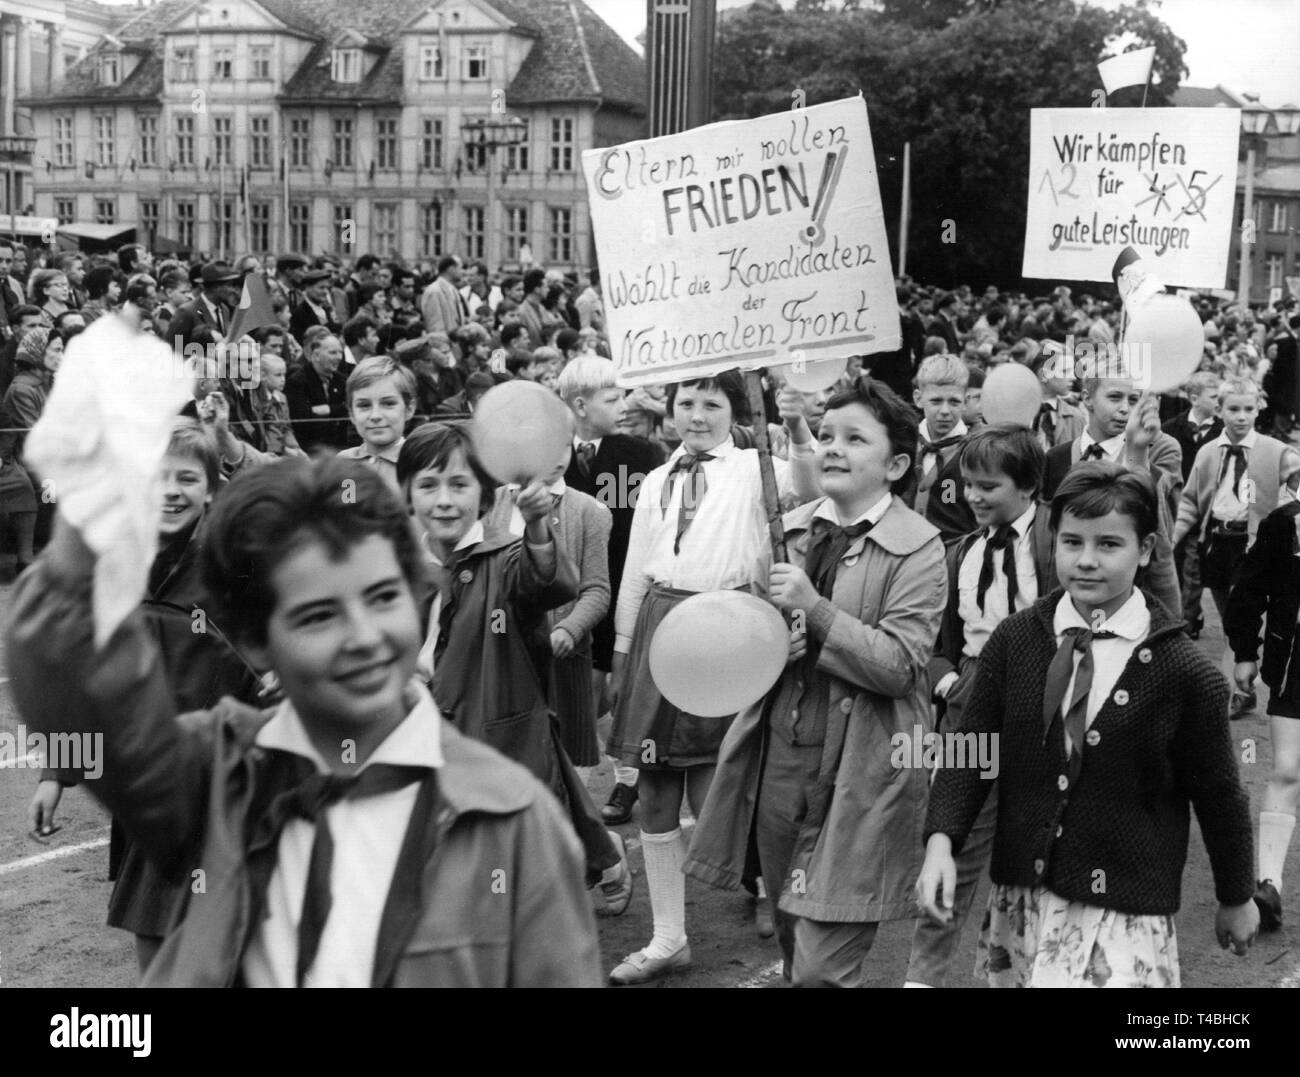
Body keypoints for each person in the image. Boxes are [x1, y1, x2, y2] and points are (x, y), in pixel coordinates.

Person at [9, 455, 601, 986]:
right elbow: (67, 693)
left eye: (383, 597)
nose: (365, 638)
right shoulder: (209, 771)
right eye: (318, 616)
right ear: (256, 644)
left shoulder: (512, 817)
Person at [917, 463, 1258, 987]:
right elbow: (971, 746)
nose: (1087, 561)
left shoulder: (1183, 671)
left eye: (1109, 545)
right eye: (1072, 542)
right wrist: (942, 838)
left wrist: (1236, 896)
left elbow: (1219, 795)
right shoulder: (1016, 640)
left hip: (1125, 908)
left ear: (1144, 550)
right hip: (1025, 900)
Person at [686, 376, 947, 987]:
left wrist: (819, 614)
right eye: (827, 434)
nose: (832, 447)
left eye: (855, 439)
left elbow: (902, 666)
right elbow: (744, 646)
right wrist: (773, 642)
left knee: (822, 971)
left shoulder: (920, 549)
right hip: (780, 758)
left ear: (897, 464)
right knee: (792, 937)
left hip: (861, 770)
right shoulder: (790, 532)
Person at [27, 419, 261, 976]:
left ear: (211, 488)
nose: (171, 492)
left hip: (226, 785)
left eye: (187, 478)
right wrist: (55, 777)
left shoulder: (240, 566)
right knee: (155, 948)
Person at [606, 370, 797, 984]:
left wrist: (793, 419)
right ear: (668, 412)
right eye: (685, 403)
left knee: (731, 779)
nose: (697, 415)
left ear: (733, 413)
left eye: (711, 404)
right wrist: (623, 644)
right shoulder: (657, 479)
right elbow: (638, 566)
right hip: (663, 630)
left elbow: (813, 482)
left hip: (730, 626)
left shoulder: (755, 468)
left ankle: (766, 883)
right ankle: (669, 938)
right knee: (657, 786)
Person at [397, 422, 632, 916]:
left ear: (483, 494)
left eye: (459, 485)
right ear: (406, 494)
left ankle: (593, 861)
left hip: (504, 750)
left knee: (515, 897)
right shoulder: (394, 569)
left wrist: (539, 528)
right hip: (426, 755)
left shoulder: (502, 558)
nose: (444, 500)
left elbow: (545, 582)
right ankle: (600, 855)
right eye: (428, 485)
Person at [904, 424, 1047, 987]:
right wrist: (946, 686)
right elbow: (939, 644)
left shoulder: (1056, 537)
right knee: (951, 841)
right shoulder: (960, 551)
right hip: (969, 708)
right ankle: (923, 977)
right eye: (968, 485)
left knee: (1037, 853)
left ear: (1029, 485)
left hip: (1043, 708)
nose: (974, 497)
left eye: (988, 486)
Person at [1171, 378, 1299, 718]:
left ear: (1258, 409)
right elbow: (1190, 504)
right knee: (1232, 618)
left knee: (1246, 615)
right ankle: (1243, 681)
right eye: (1233, 409)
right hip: (1217, 543)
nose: (1242, 417)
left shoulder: (1276, 451)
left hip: (1256, 545)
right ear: (1220, 410)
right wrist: (1174, 537)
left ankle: (1238, 687)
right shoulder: (1208, 452)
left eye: (1249, 409)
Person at [1226, 467, 1300, 933]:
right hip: (1296, 664)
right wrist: (1244, 654)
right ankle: (1268, 884)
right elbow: (1250, 590)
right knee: (1288, 770)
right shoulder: (1283, 524)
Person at [0, 328, 62, 576]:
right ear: (37, 353)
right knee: (53, 488)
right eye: (57, 350)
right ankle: (42, 548)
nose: (62, 355)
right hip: (31, 457)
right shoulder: (23, 390)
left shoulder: (49, 383)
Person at [910, 354, 973, 541]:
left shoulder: (974, 451)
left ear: (966, 401)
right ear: (918, 399)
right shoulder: (904, 443)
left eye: (954, 402)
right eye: (936, 401)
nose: (945, 411)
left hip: (953, 555)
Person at [336, 357, 417, 494]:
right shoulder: (344, 463)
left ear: (409, 409)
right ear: (351, 414)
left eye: (388, 404)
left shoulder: (419, 462)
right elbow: (346, 508)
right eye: (364, 405)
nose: (375, 416)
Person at [286, 331, 352, 454]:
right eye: (333, 352)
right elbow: (302, 418)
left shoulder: (342, 380)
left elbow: (350, 410)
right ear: (316, 355)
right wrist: (337, 410)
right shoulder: (297, 381)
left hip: (340, 447)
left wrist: (328, 409)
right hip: (312, 449)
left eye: (340, 352)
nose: (339, 357)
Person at [253, 351, 304, 458]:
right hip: (263, 452)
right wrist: (287, 451)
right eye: (278, 375)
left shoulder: (282, 398)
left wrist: (296, 449)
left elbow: (286, 429)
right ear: (263, 375)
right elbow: (265, 433)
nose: (283, 380)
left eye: (284, 375)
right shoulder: (255, 399)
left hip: (282, 450)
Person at [420, 255, 467, 336]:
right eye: (460, 268)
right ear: (451, 269)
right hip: (443, 345)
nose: (463, 272)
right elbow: (434, 326)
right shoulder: (434, 291)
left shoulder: (454, 290)